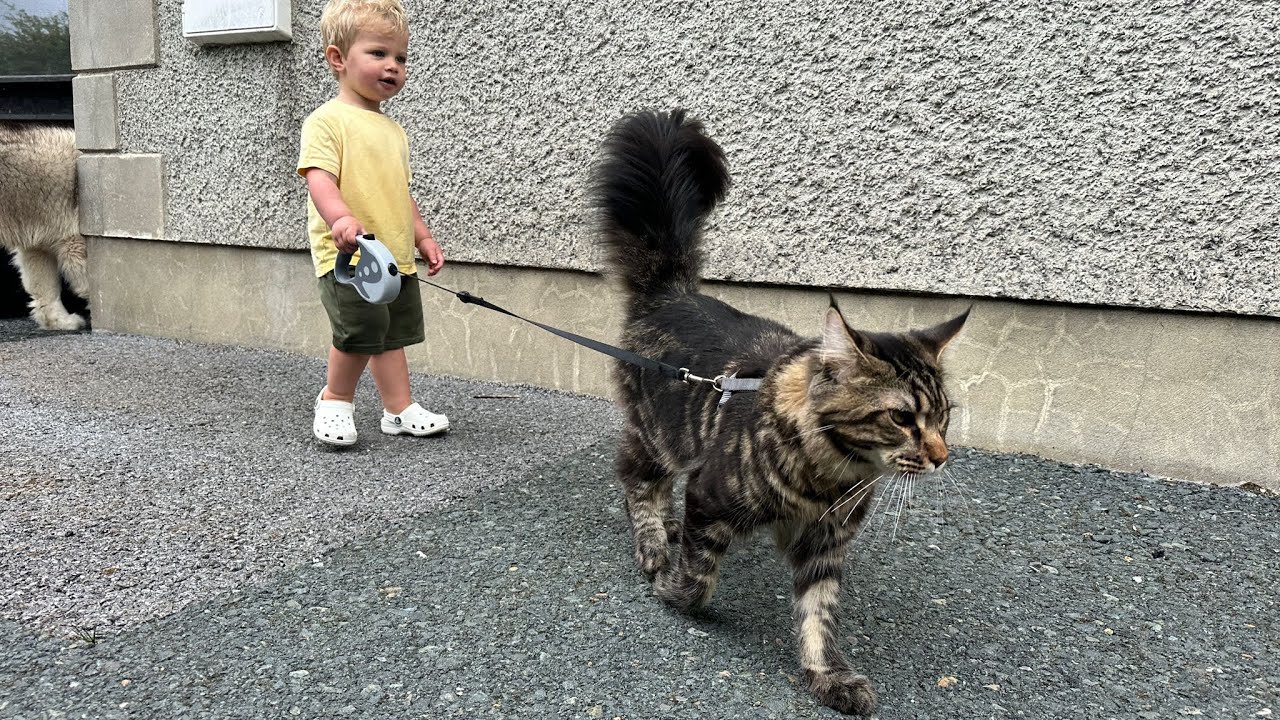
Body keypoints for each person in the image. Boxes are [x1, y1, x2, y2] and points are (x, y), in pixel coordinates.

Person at [297, 0, 448, 447]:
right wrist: (340, 218)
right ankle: (335, 400)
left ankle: (398, 409)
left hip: (393, 256)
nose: (393, 66)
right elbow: (319, 178)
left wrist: (421, 235)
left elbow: (399, 192)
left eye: (400, 57)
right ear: (338, 59)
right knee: (359, 330)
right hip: (349, 256)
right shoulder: (327, 121)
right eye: (378, 54)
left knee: (391, 332)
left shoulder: (394, 131)